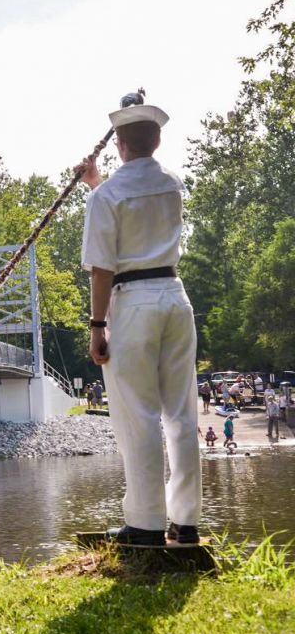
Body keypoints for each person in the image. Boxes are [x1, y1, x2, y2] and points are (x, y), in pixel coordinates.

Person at [81, 95, 200, 547]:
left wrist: (97, 327)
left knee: (138, 416)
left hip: (133, 300)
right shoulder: (172, 183)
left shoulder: (108, 194)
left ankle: (146, 524)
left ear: (118, 145)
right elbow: (141, 220)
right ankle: (186, 520)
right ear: (158, 139)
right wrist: (98, 185)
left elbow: (102, 267)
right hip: (175, 295)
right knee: (182, 414)